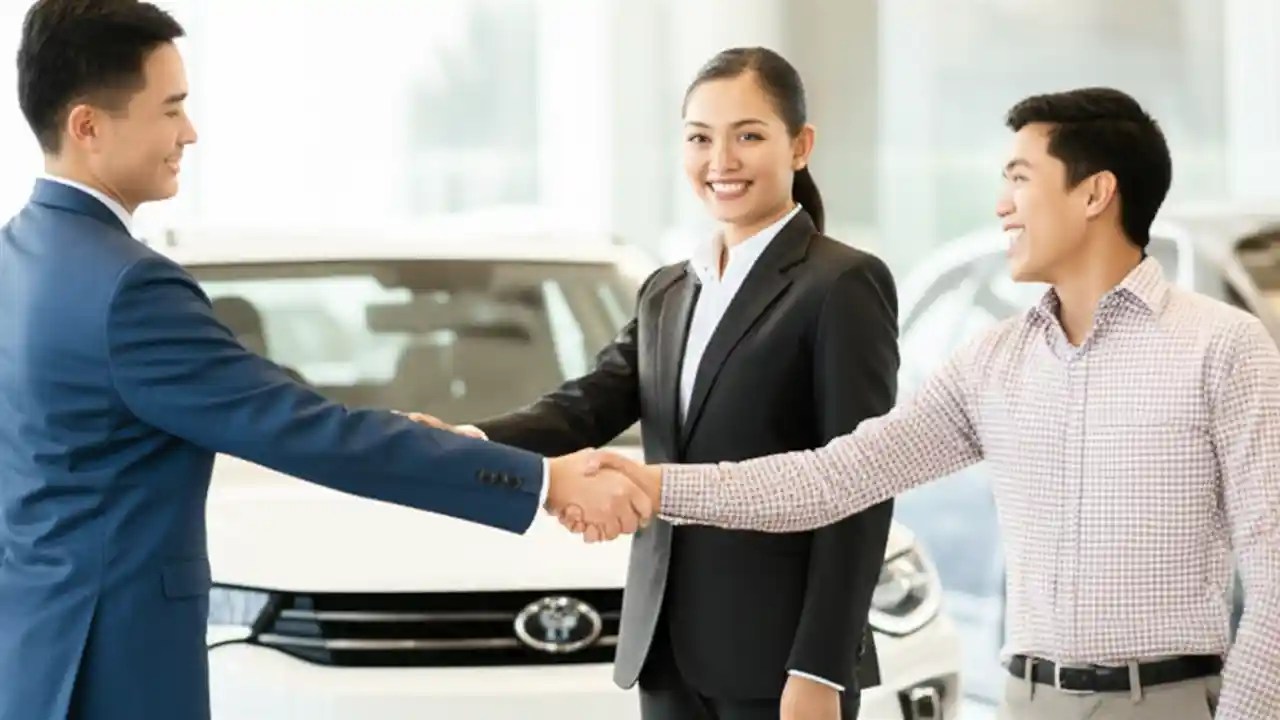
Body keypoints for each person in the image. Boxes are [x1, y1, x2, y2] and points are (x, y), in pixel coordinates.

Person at [0, 2, 648, 719]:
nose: (190, 132)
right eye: (170, 109)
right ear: (88, 126)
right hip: (114, 674)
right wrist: (541, 477)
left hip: (42, 658)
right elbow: (305, 429)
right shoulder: (126, 288)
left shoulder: (18, 260)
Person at [587, 86, 1280, 720]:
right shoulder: (993, 362)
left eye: (1019, 179)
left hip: (1170, 703)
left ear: (1095, 193)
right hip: (1029, 700)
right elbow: (831, 479)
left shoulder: (1222, 348)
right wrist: (653, 487)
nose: (1001, 205)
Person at [415, 47, 897, 720]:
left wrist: (821, 664)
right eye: (700, 138)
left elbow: (861, 486)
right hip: (667, 645)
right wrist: (471, 441)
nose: (720, 161)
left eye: (749, 136)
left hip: (778, 657)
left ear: (800, 146)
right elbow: (588, 404)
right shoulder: (669, 288)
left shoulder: (841, 284)